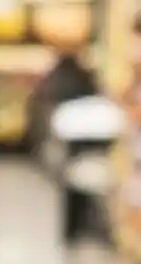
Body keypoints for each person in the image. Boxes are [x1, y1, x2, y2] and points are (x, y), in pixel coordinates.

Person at [28, 53, 101, 242]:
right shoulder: (84, 79)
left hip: (63, 141)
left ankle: (70, 231)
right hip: (85, 140)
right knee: (84, 183)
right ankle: (86, 225)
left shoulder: (53, 81)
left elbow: (42, 105)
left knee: (69, 186)